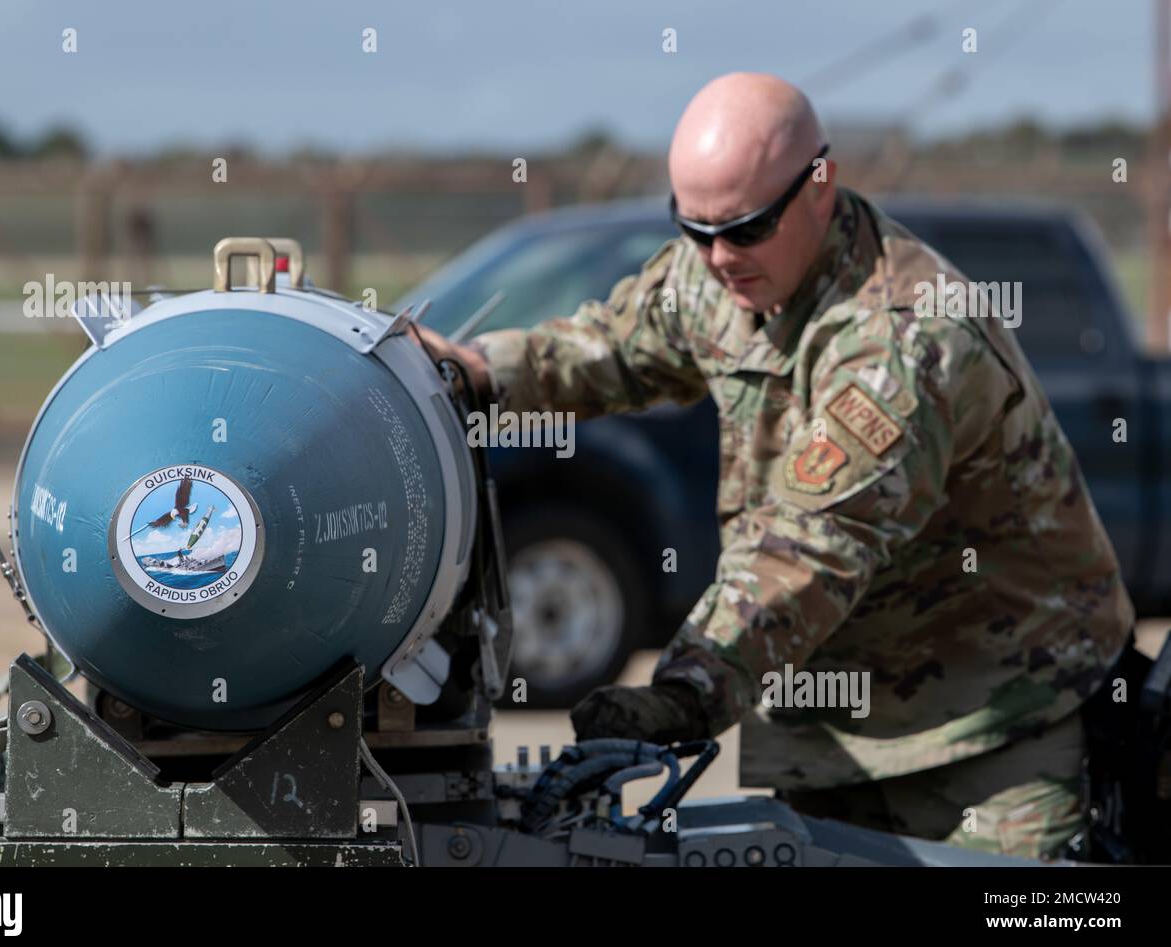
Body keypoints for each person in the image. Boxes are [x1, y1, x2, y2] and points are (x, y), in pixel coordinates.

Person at [412, 72, 1132, 859]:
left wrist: (685, 690)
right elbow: (614, 347)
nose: (718, 257)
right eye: (694, 229)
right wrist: (481, 372)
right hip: (829, 728)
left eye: (746, 227)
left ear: (820, 186)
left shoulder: (903, 336)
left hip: (990, 733)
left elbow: (809, 548)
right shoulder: (725, 272)